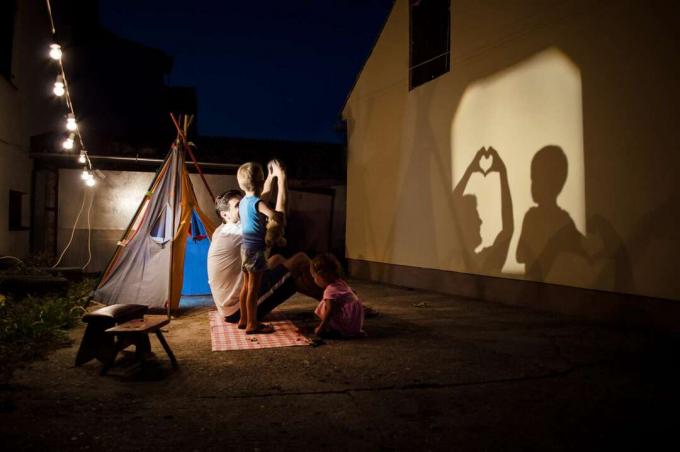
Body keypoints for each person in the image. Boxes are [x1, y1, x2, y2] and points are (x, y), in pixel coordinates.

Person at [207, 162, 321, 329]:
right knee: (300, 260)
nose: (242, 205)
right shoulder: (238, 231)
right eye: (237, 206)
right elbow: (278, 216)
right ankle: (336, 298)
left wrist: (270, 177)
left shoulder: (222, 229)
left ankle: (328, 298)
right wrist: (281, 179)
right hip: (236, 310)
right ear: (225, 214)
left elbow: (257, 200)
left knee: (277, 260)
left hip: (229, 306)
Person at [310, 253, 365, 338]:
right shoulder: (340, 282)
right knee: (330, 302)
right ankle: (352, 330)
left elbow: (330, 310)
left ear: (320, 276)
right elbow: (354, 293)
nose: (314, 280)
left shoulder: (330, 290)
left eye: (313, 277)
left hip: (347, 325)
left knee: (324, 304)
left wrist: (321, 328)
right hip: (356, 325)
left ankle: (337, 329)